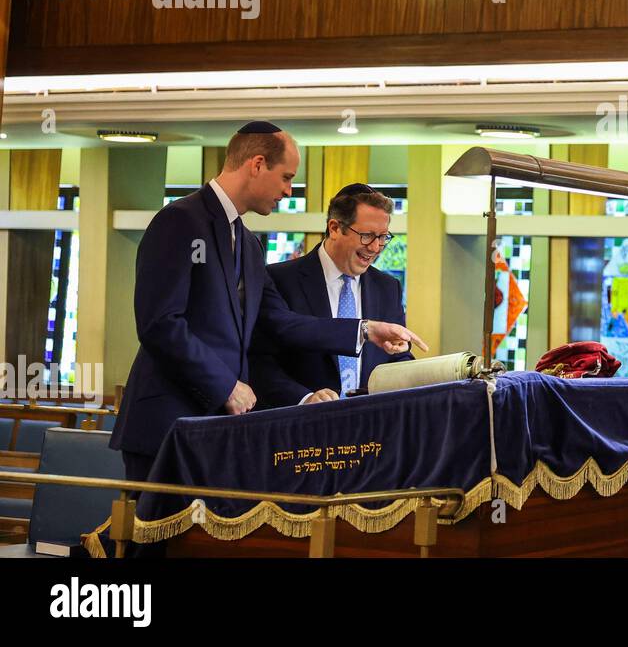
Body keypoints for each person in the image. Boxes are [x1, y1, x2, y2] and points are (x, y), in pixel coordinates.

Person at [109, 122, 427, 481]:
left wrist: (366, 329)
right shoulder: (180, 221)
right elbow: (160, 324)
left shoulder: (248, 242)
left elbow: (280, 322)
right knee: (151, 535)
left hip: (217, 427)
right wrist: (226, 386)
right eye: (286, 177)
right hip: (168, 422)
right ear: (257, 165)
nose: (288, 191)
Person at [251, 184, 412, 407]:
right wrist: (304, 398)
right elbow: (259, 362)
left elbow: (395, 359)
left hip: (371, 428)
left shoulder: (388, 288)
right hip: (300, 426)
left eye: (383, 237)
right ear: (335, 228)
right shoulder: (279, 279)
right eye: (367, 236)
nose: (376, 247)